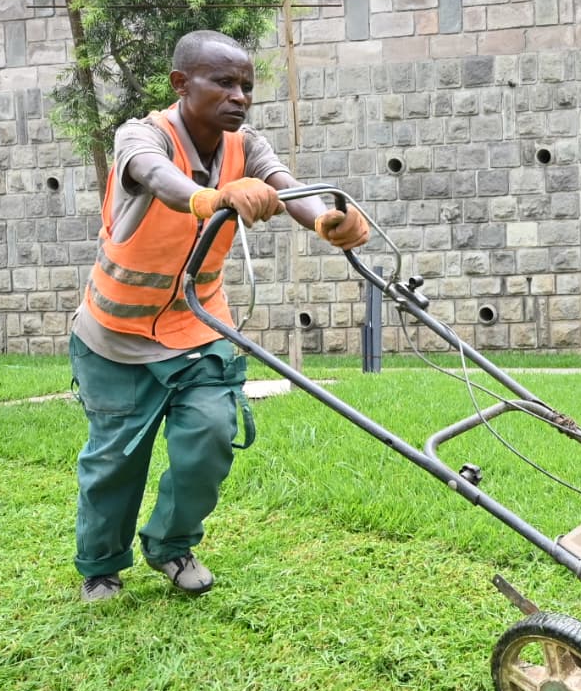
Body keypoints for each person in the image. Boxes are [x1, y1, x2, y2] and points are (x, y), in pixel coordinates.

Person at [70, 30, 369, 601]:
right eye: (224, 83)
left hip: (197, 326)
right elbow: (160, 178)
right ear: (182, 84)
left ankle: (171, 545)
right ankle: (101, 565)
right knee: (115, 459)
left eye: (247, 87)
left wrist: (325, 221)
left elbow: (287, 186)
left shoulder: (244, 145)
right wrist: (211, 197)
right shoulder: (141, 135)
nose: (240, 97)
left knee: (210, 432)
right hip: (114, 335)